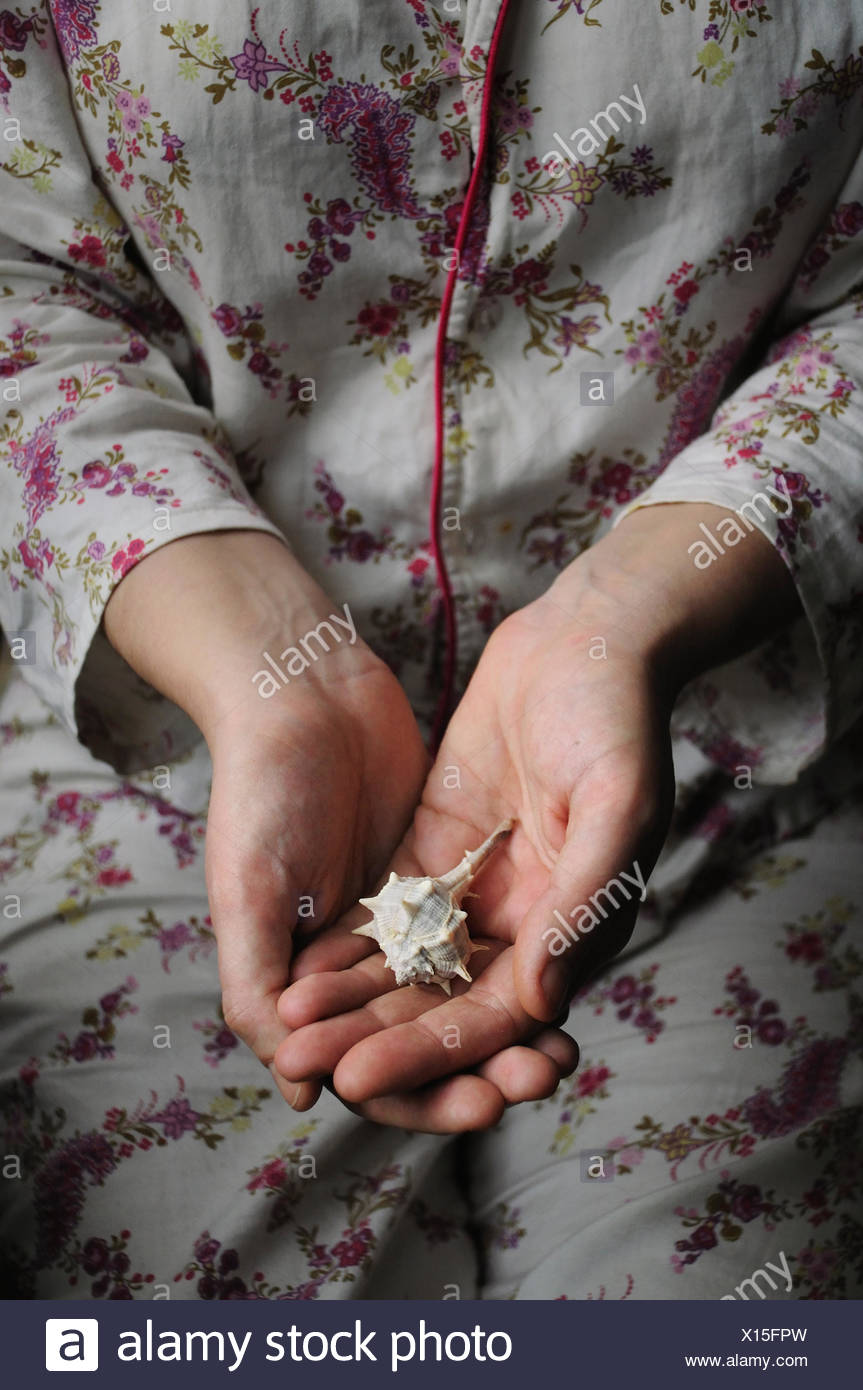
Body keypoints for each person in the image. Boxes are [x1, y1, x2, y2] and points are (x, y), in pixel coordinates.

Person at [1, 0, 861, 1300]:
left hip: (750, 739)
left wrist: (634, 608)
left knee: (718, 1326)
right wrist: (256, 666)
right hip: (153, 745)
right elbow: (20, 284)